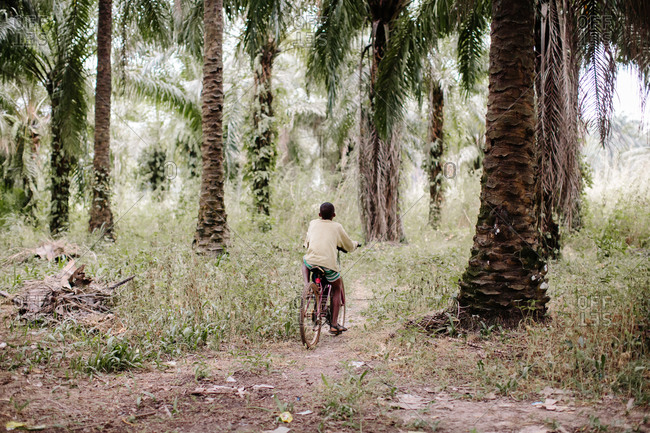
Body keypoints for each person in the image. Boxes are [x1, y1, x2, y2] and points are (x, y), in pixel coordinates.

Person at [302, 202, 360, 335]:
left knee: (304, 262)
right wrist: (356, 244)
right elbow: (349, 245)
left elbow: (307, 242)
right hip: (328, 264)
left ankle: (307, 286)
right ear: (334, 215)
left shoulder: (313, 223)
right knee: (337, 287)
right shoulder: (337, 227)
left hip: (312, 262)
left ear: (319, 215)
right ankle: (334, 324)